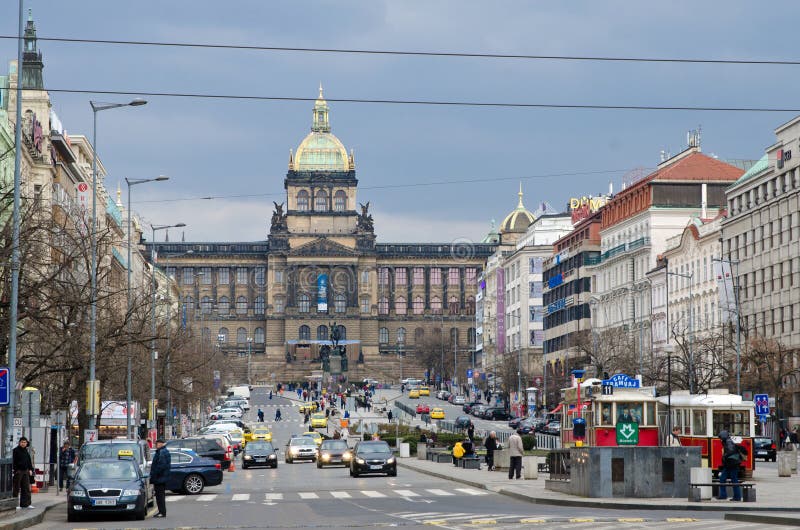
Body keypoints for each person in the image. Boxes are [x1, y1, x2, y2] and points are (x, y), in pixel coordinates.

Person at [717, 430, 742, 501]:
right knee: (723, 478)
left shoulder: (728, 442)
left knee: (733, 479)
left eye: (721, 438)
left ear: (723, 436)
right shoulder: (727, 441)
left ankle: (737, 497)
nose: (720, 439)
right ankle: (723, 495)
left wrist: (725, 456)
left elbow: (730, 451)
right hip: (729, 464)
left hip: (732, 464)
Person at [150, 438, 171, 518]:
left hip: (160, 478)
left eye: (157, 443)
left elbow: (161, 465)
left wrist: (154, 474)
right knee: (160, 496)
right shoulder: (163, 451)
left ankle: (162, 512)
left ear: (161, 444)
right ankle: (161, 511)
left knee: (160, 496)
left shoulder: (162, 452)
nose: (156, 445)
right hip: (161, 477)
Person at [13, 437, 34, 509]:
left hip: (26, 471)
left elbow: (29, 461)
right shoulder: (15, 451)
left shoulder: (26, 451)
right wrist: (16, 470)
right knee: (16, 488)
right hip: (18, 471)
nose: (23, 443)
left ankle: (26, 504)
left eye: (25, 442)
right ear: (19, 442)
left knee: (26, 488)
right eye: (22, 442)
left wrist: (30, 469)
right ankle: (15, 504)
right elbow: (13, 461)